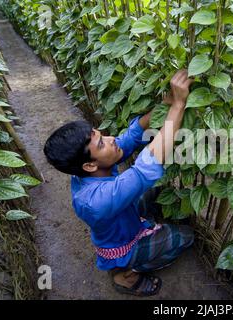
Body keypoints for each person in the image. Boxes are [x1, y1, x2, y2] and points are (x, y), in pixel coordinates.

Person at [43, 70, 195, 296]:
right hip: (123, 245)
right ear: (89, 165)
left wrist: (164, 105)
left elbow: (131, 136)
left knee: (155, 192)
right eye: (102, 144)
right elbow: (146, 167)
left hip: (119, 222)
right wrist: (178, 106)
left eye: (101, 135)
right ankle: (126, 274)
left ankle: (138, 238)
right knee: (185, 236)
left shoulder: (91, 171)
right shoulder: (97, 200)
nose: (110, 139)